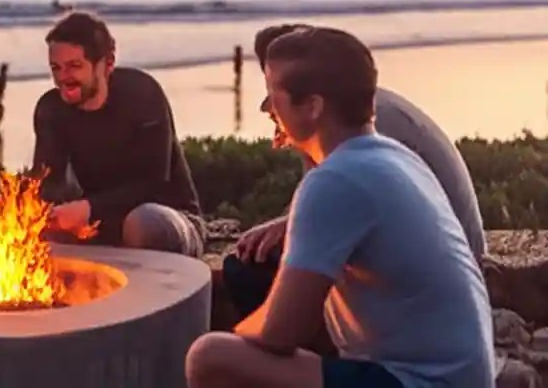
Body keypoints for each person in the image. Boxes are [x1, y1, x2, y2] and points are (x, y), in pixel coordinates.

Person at [185, 27, 494, 388]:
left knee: (210, 358)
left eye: (273, 96)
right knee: (252, 271)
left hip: (418, 381)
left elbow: (280, 332)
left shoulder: (336, 179)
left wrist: (238, 333)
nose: (269, 108)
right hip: (457, 372)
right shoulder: (393, 156)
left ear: (313, 106)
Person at [224, 23, 485, 322]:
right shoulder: (350, 115)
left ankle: (302, 357)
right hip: (441, 270)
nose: (271, 106)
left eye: (277, 90)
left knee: (247, 273)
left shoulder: (363, 129)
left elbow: (350, 203)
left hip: (433, 282)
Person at [32, 12, 204, 255]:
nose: (63, 78)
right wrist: (28, 210)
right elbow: (48, 184)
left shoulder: (142, 94)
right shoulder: (51, 109)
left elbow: (154, 184)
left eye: (75, 66)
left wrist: (89, 208)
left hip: (168, 217)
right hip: (100, 224)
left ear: (107, 63)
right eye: (56, 68)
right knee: (42, 232)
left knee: (143, 222)